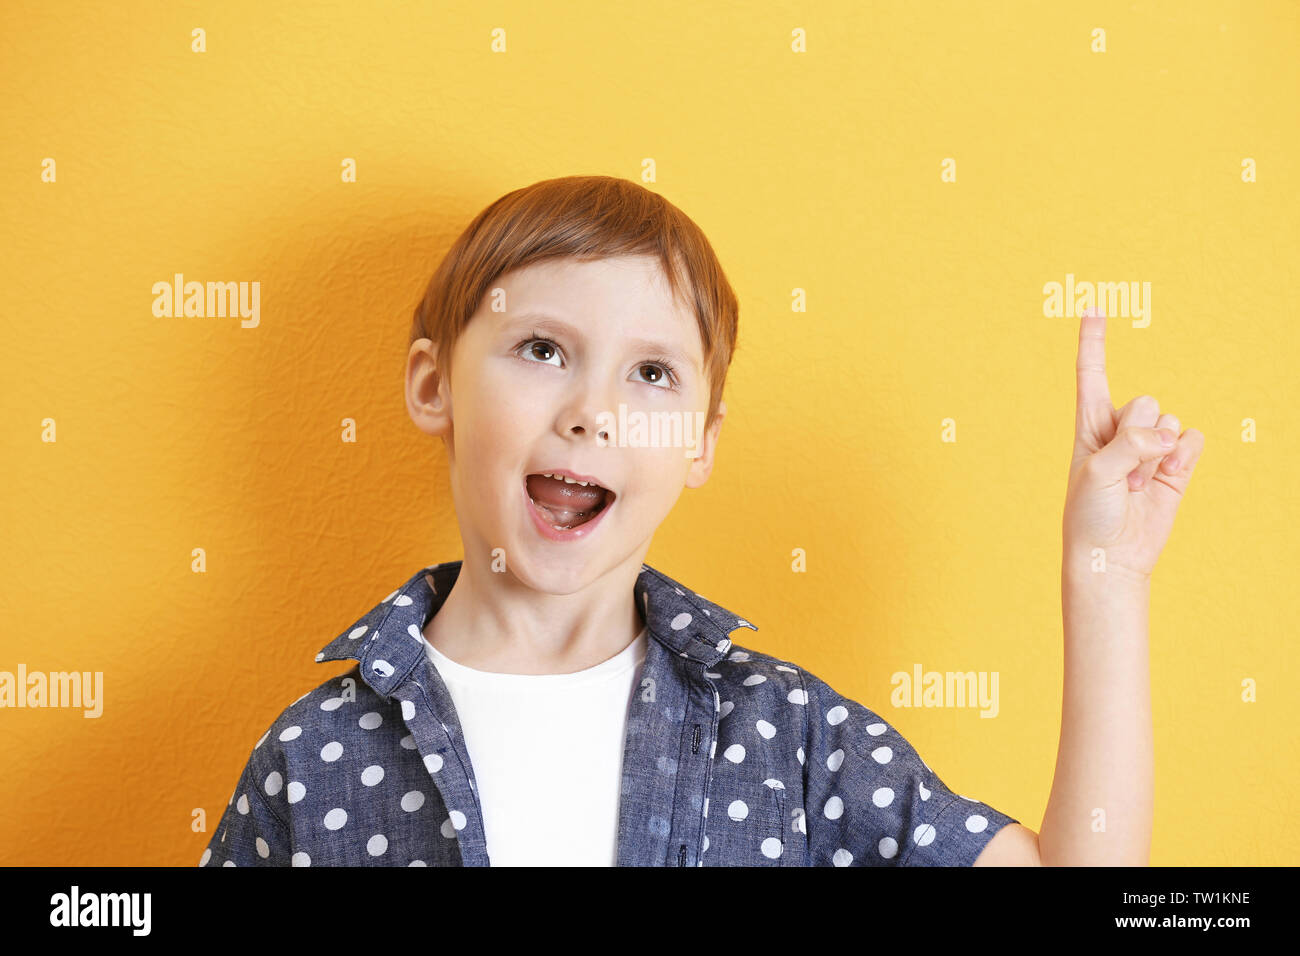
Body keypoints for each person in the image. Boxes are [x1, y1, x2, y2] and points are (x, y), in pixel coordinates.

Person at [198, 175, 1203, 867]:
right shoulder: (310, 755)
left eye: (650, 372)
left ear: (699, 441)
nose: (591, 406)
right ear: (433, 384)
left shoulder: (789, 734)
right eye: (542, 347)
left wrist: (1105, 577)